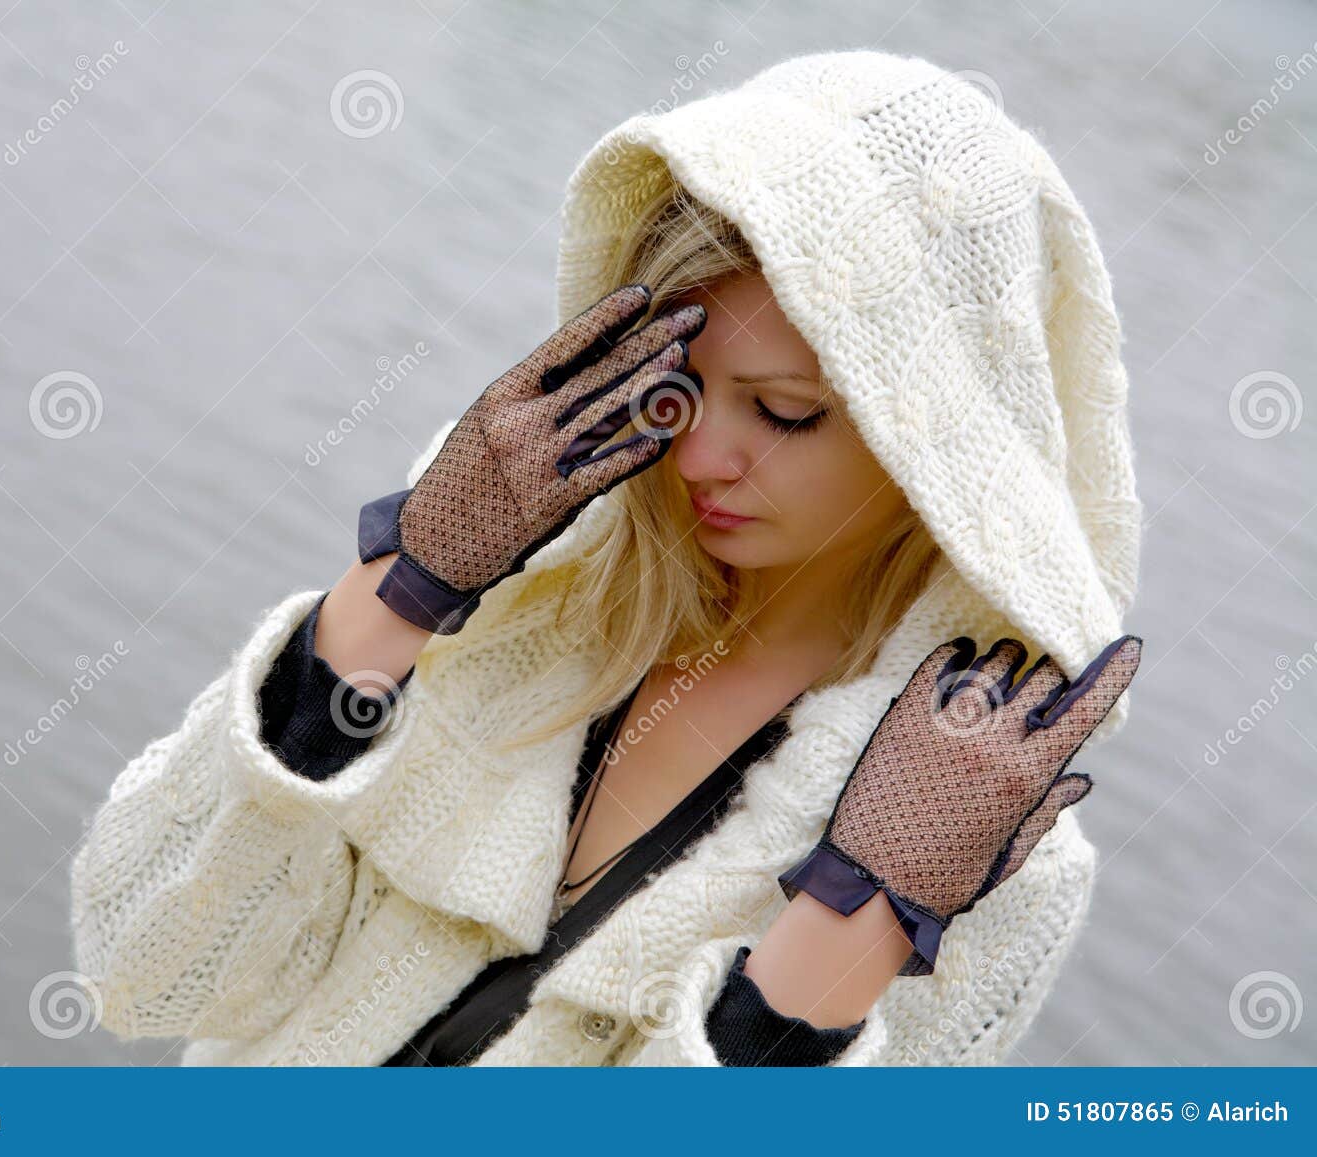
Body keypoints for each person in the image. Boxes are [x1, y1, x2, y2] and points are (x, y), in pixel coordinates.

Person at [69, 48, 1146, 1067]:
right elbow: (142, 968)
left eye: (782, 411)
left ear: (935, 444)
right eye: (678, 383)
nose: (701, 456)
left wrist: (843, 933)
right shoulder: (509, 588)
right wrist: (396, 596)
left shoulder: (991, 844)